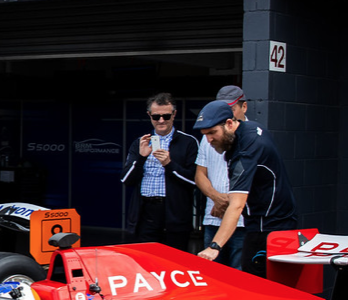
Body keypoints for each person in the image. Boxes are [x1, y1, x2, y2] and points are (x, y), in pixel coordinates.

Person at [195, 100, 298, 277]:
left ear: (229, 123)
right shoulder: (250, 128)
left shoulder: (246, 151)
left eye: (212, 133)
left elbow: (237, 205)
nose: (209, 140)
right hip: (273, 222)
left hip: (268, 229)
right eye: (205, 134)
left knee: (254, 284)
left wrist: (214, 246)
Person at [120, 93, 198, 251]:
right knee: (146, 257)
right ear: (149, 115)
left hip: (175, 212)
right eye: (156, 117)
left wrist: (169, 164)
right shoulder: (140, 142)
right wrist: (141, 158)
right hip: (146, 211)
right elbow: (126, 180)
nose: (161, 120)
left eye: (166, 116)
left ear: (174, 114)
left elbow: (194, 180)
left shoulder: (188, 142)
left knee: (175, 259)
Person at [195, 85, 247, 268]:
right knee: (212, 273)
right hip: (213, 217)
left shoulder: (250, 137)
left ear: (244, 107)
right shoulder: (208, 135)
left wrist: (228, 203)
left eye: (231, 108)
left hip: (242, 221)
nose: (225, 114)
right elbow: (200, 174)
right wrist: (217, 199)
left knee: (239, 275)